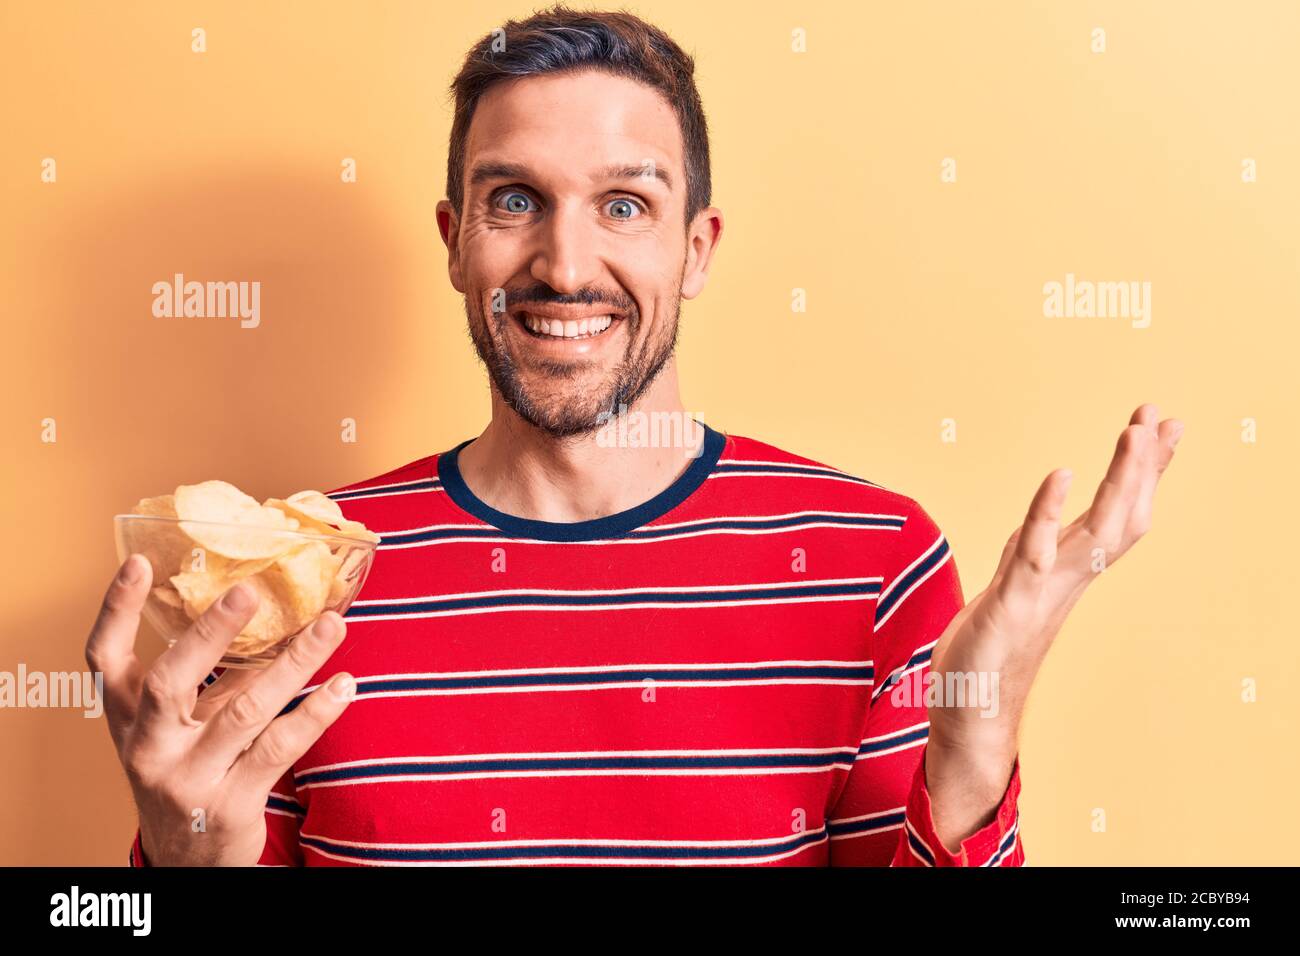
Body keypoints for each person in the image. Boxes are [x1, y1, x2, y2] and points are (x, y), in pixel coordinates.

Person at [88, 5, 1182, 866]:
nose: (565, 266)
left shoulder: (872, 557)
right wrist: (186, 862)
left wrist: (972, 748)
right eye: (514, 200)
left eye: (623, 205)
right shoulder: (305, 573)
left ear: (697, 248)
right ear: (455, 239)